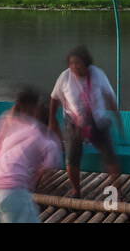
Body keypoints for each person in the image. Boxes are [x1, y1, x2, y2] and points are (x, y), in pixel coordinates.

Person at [0, 86, 63, 223]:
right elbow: (52, 162)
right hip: (12, 191)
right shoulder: (42, 137)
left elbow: (10, 117)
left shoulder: (11, 125)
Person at [48, 45, 123, 198]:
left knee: (110, 154)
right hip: (74, 121)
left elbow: (109, 96)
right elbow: (54, 98)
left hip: (97, 120)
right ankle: (76, 190)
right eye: (71, 63)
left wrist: (117, 118)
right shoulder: (65, 77)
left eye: (78, 63)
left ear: (86, 63)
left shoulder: (97, 75)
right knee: (72, 156)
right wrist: (52, 121)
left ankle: (117, 190)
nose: (74, 67)